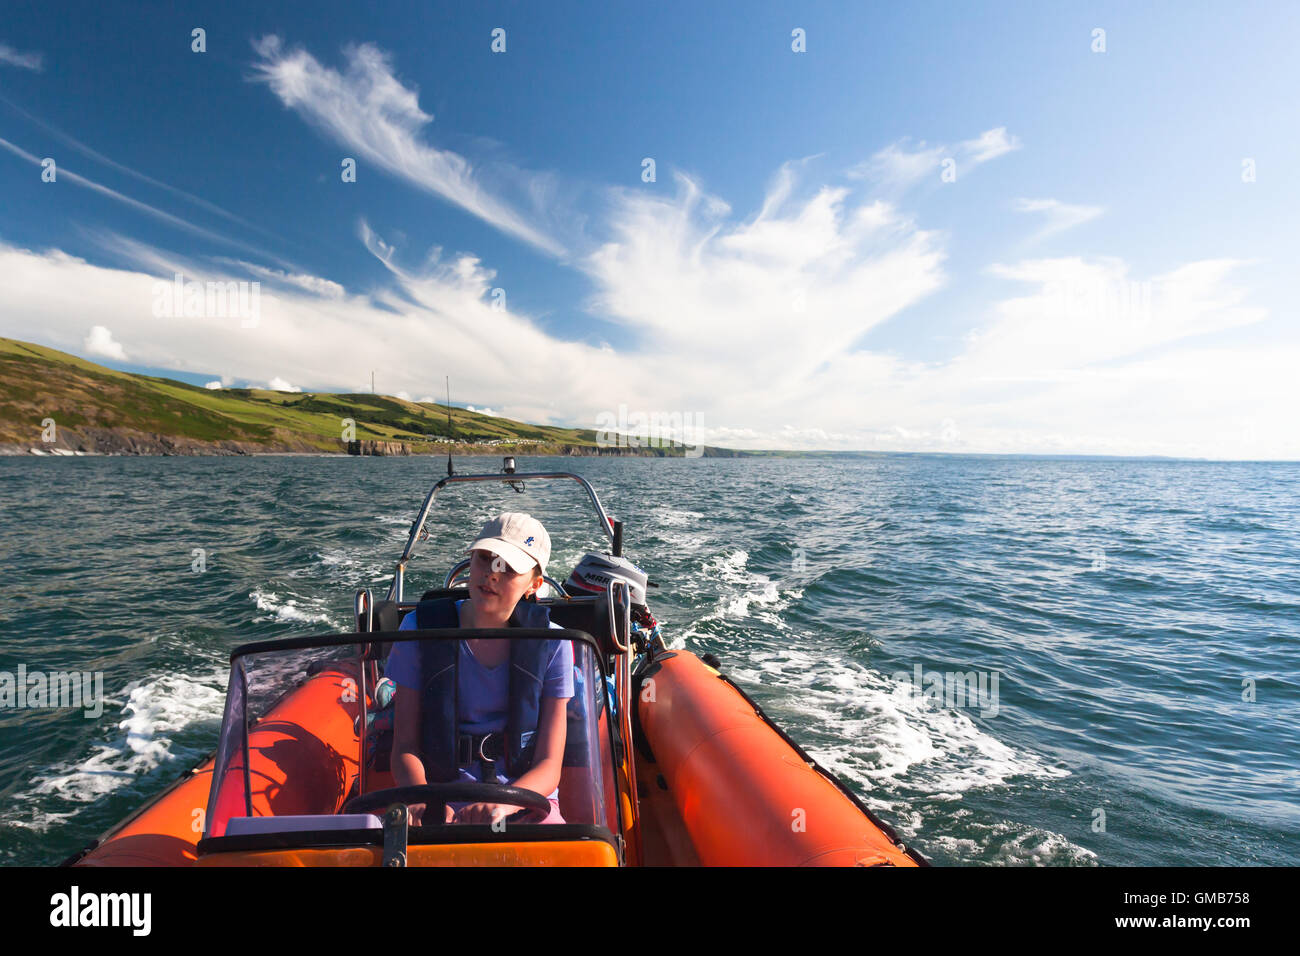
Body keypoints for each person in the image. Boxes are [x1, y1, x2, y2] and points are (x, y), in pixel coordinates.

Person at [384, 512, 572, 826]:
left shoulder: (554, 643)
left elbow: (549, 764)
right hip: (434, 796)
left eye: (509, 568)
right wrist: (423, 800)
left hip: (522, 798)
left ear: (534, 585)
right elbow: (404, 747)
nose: (492, 574)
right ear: (470, 562)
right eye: (485, 559)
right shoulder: (417, 629)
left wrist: (503, 804)